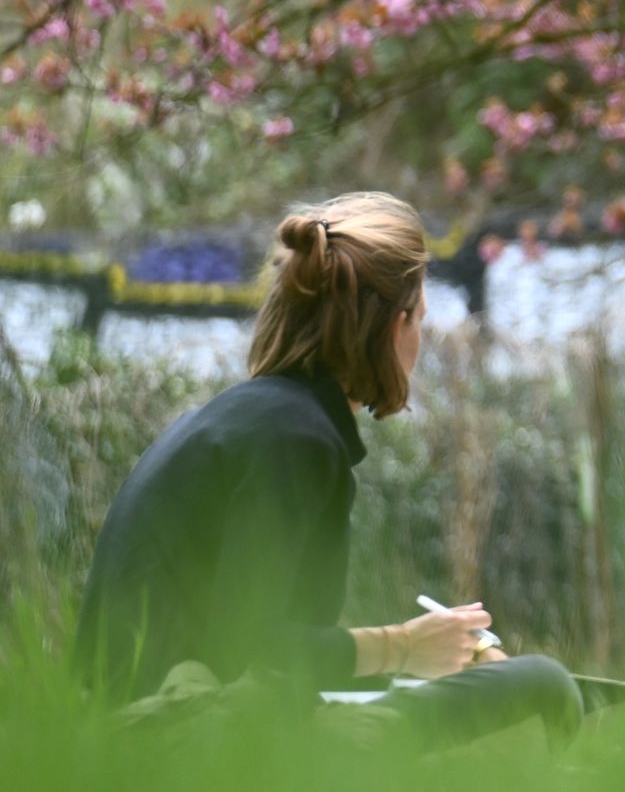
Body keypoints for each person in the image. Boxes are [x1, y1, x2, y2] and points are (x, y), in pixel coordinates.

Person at [72, 193, 582, 747]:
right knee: (541, 682)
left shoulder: (253, 419)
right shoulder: (292, 438)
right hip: (176, 733)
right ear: (395, 324)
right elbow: (246, 649)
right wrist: (402, 646)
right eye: (420, 322)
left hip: (158, 719)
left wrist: (404, 651)